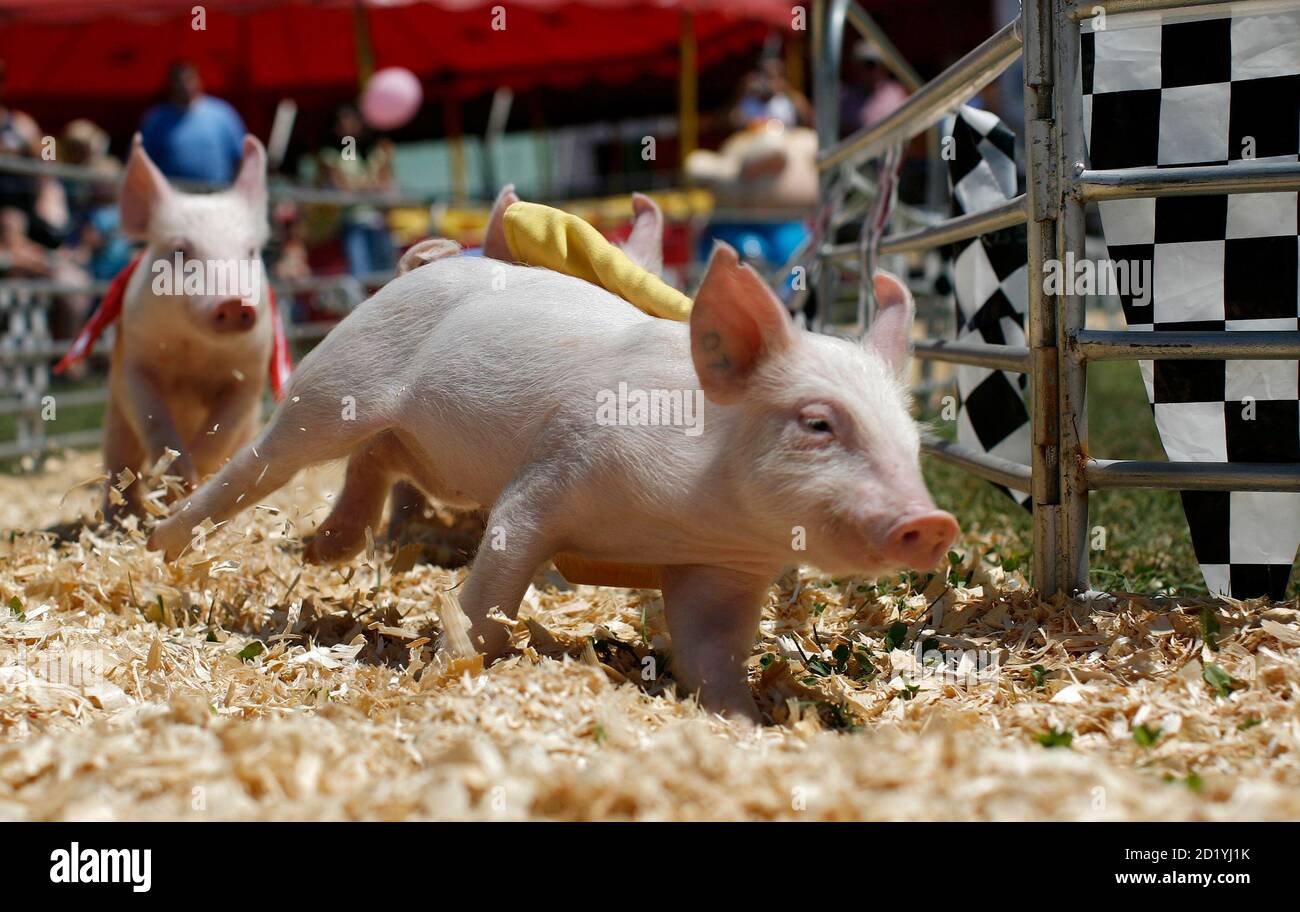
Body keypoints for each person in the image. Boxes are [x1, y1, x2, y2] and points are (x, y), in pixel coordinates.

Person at [317, 103, 395, 277]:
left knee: (386, 273)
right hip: (353, 221)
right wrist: (370, 185)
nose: (347, 125)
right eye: (342, 121)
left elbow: (385, 182)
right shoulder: (336, 154)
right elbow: (345, 187)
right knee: (362, 274)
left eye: (351, 120)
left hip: (378, 221)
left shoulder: (371, 150)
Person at [139, 62, 246, 184]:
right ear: (171, 85)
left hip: (217, 193)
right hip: (173, 194)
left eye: (189, 80)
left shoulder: (222, 113)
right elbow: (143, 160)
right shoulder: (156, 119)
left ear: (199, 81)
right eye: (179, 81)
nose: (185, 86)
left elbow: (240, 156)